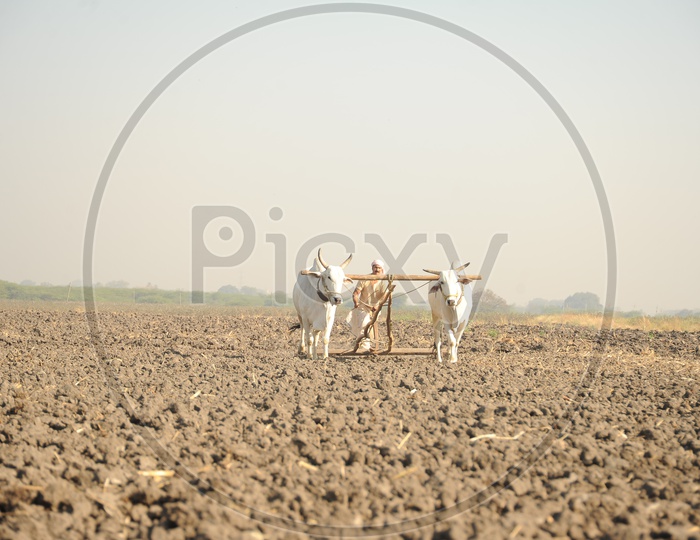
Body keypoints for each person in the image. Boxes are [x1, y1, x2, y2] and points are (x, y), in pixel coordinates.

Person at [346, 260, 388, 351]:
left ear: (381, 269)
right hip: (363, 306)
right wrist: (356, 302)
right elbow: (356, 294)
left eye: (379, 268)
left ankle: (367, 346)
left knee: (370, 327)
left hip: (376, 308)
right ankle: (365, 348)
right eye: (375, 267)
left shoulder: (383, 282)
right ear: (372, 268)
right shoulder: (364, 279)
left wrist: (378, 306)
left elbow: (384, 297)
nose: (377, 269)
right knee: (364, 324)